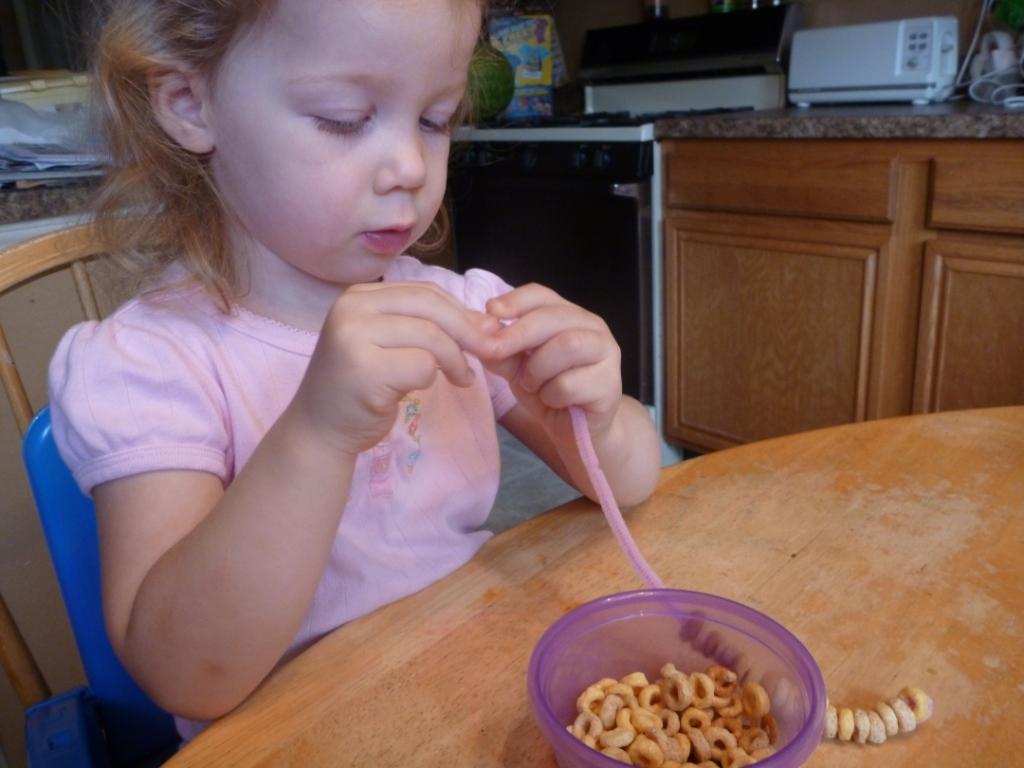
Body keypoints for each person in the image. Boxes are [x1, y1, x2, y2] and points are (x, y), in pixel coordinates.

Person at [48, 0, 661, 741]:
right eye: (343, 119)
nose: (410, 167)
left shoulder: (458, 308)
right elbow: (186, 673)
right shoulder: (151, 364)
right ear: (190, 103)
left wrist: (595, 415)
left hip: (465, 692)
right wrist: (317, 432)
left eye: (434, 119)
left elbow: (629, 483)